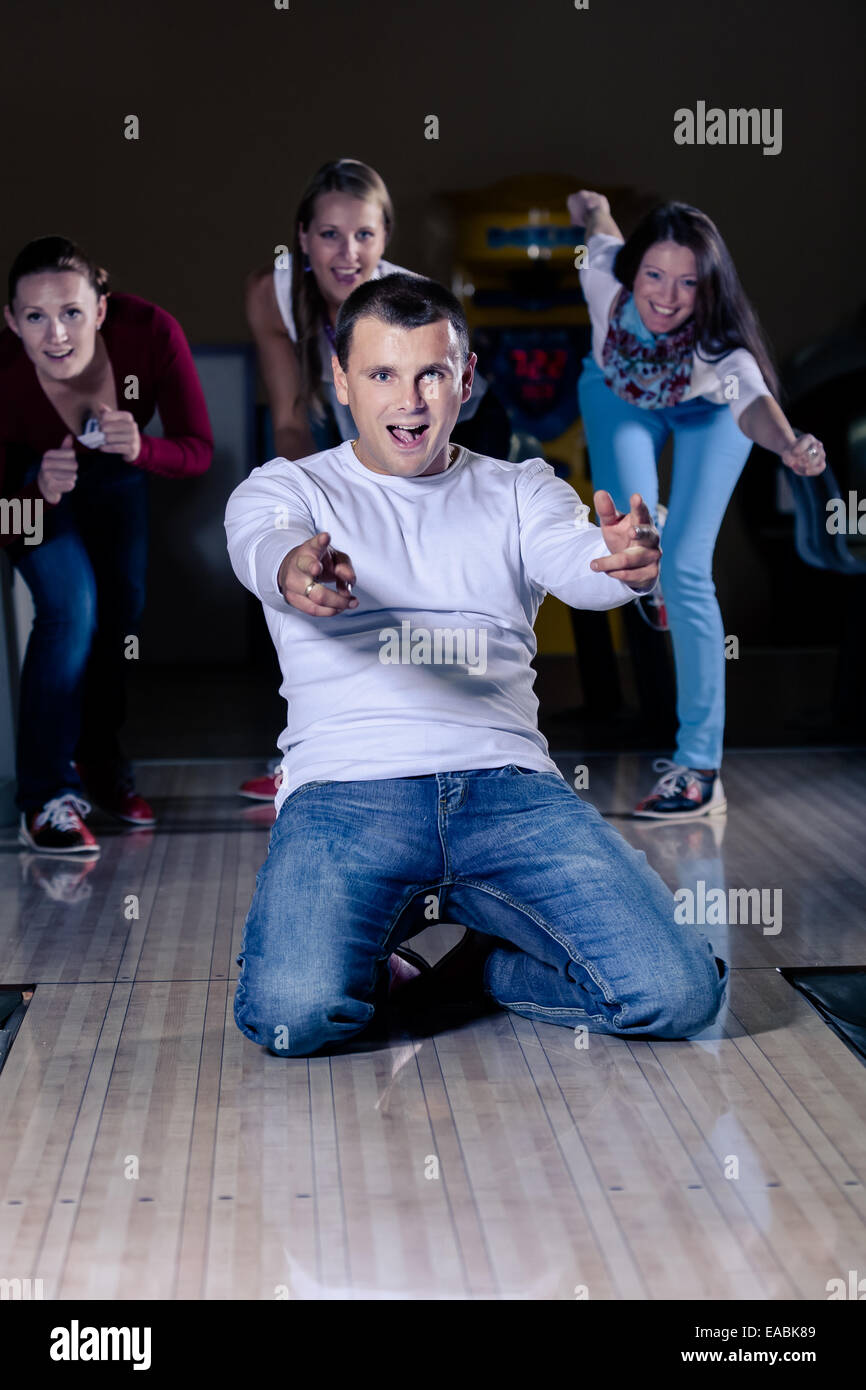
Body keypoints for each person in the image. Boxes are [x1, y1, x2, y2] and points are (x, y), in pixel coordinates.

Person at [224, 271, 728, 1058]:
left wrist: (621, 559)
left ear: (465, 377)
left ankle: (476, 968)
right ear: (342, 380)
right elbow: (265, 550)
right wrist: (295, 570)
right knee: (296, 1015)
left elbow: (574, 559)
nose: (410, 399)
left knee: (678, 995)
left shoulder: (521, 488)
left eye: (431, 372)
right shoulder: (289, 489)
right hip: (347, 796)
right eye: (383, 374)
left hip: (508, 792)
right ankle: (380, 951)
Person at [239, 157, 510, 801]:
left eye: (363, 234)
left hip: (460, 427)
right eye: (330, 234)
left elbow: (428, 424)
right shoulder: (270, 294)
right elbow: (288, 422)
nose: (347, 251)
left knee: (432, 577)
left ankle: (483, 738)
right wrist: (310, 513)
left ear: (385, 237)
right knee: (324, 570)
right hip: (364, 421)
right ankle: (315, 746)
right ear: (302, 238)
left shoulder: (404, 296)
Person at [568, 191, 826, 820]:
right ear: (633, 271)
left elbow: (754, 408)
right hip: (620, 394)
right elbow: (601, 228)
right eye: (654, 274)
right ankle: (648, 568)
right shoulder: (603, 273)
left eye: (687, 282)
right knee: (636, 540)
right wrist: (588, 206)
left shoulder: (722, 349)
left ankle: (699, 771)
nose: (666, 295)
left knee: (686, 569)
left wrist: (790, 443)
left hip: (710, 412)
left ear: (707, 288)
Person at [1, 236, 213, 855]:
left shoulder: (150, 331)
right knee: (73, 609)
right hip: (25, 484)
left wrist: (142, 448)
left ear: (100, 308)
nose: (56, 334)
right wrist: (37, 493)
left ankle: (99, 762)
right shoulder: (2, 371)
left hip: (119, 468)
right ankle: (43, 796)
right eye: (35, 317)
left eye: (71, 312)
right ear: (11, 322)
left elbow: (196, 449)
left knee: (122, 615)